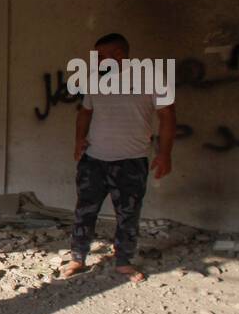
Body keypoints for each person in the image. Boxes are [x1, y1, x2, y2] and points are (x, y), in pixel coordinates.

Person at [61, 33, 176, 282]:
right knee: (84, 210)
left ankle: (123, 262)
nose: (96, 61)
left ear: (119, 55)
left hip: (131, 161)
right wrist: (79, 138)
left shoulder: (152, 78)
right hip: (93, 160)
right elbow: (85, 112)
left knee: (128, 214)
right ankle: (77, 257)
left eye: (100, 56)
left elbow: (167, 116)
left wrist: (165, 153)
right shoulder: (95, 81)